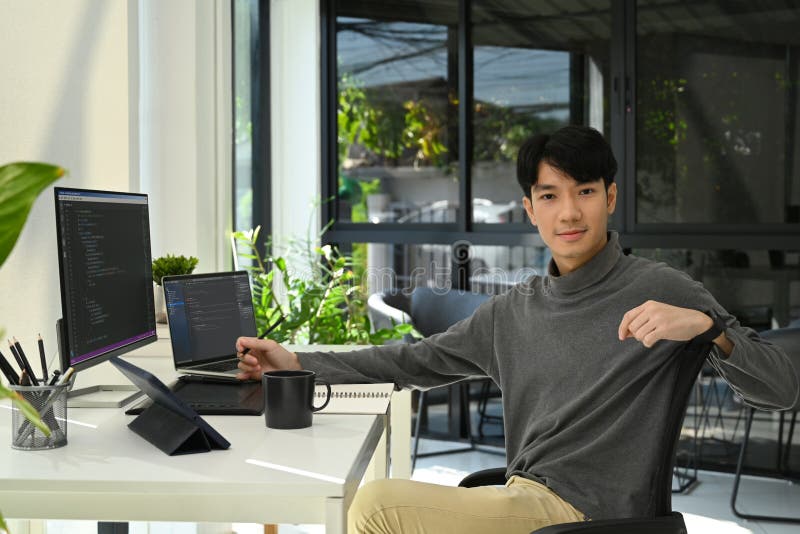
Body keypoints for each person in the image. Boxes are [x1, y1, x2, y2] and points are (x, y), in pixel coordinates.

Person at [236, 125, 799, 533]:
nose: (569, 213)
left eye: (585, 192)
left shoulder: (661, 289)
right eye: (550, 196)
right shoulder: (513, 312)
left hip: (590, 517)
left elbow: (781, 388)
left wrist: (709, 329)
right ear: (530, 210)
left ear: (610, 197)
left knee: (376, 508)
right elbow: (408, 362)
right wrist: (298, 362)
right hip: (523, 501)